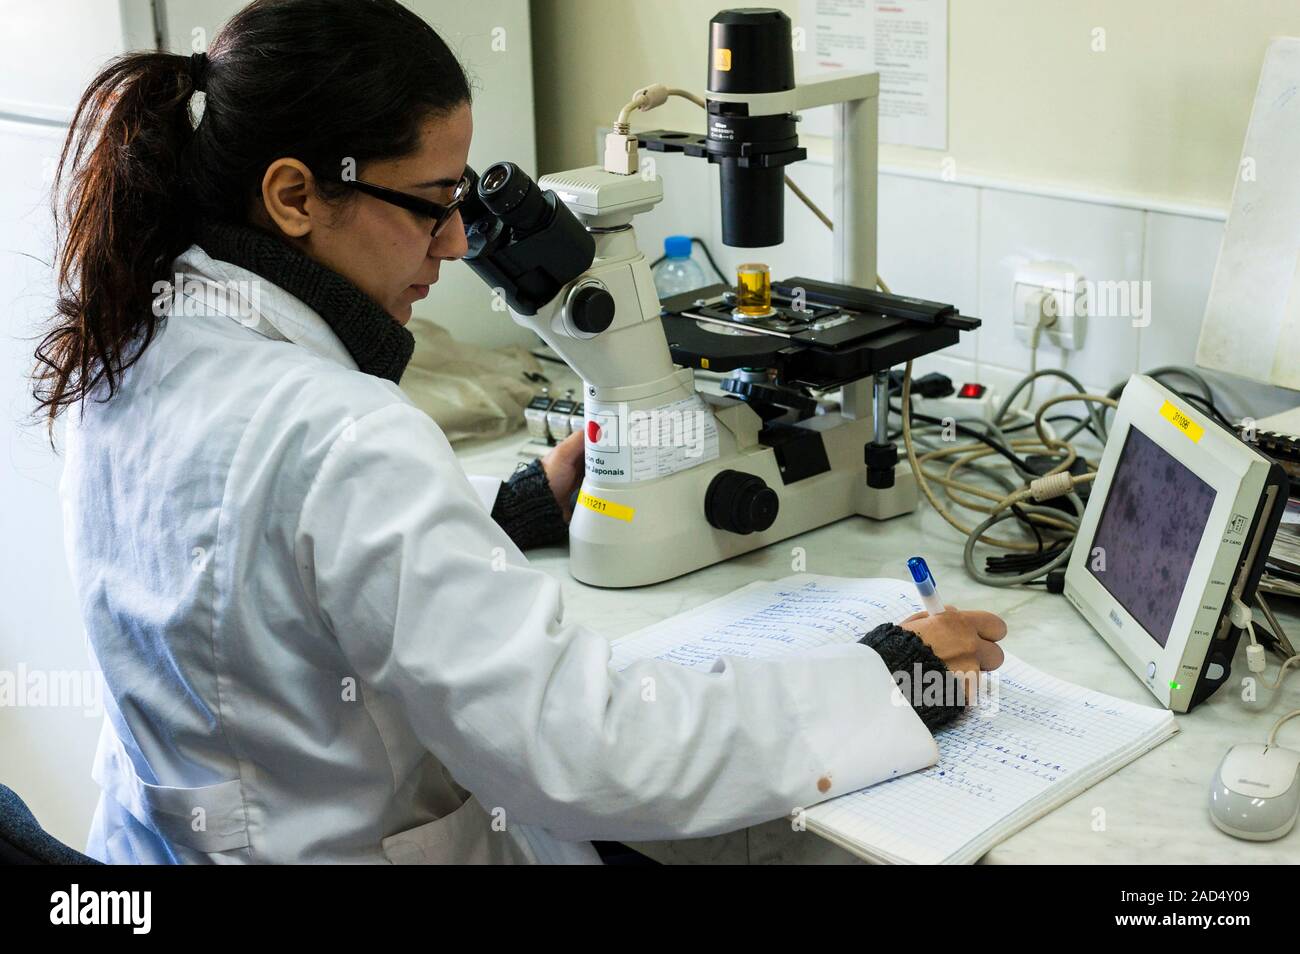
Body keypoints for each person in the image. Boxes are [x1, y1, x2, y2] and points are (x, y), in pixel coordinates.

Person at [35, 0, 1006, 864]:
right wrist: (889, 680)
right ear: (294, 197)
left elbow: (261, 584)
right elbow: (588, 750)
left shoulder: (133, 339)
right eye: (429, 207)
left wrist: (505, 511)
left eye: (463, 206)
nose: (456, 244)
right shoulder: (343, 433)